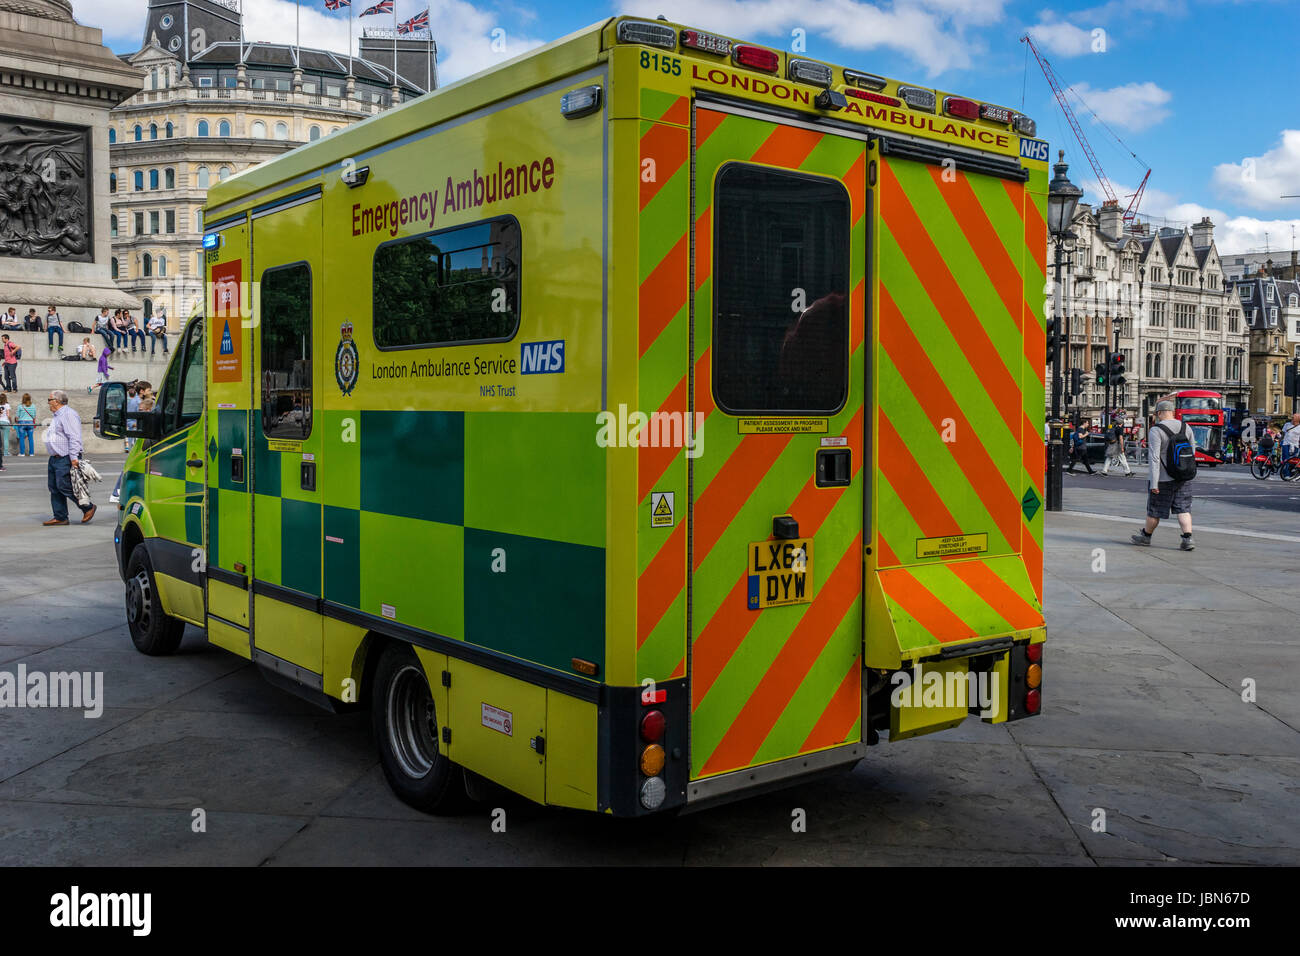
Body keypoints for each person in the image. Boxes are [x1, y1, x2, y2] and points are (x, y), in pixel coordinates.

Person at [1132, 399, 1196, 550]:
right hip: (1182, 477)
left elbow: (1154, 458)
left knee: (1155, 511)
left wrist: (1154, 483)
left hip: (1162, 479)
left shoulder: (1156, 430)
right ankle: (1188, 539)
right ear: (1172, 412)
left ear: (1159, 413)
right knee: (1184, 509)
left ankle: (1145, 537)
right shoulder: (1186, 427)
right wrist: (1186, 472)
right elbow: (1192, 453)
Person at [42, 390, 95, 525]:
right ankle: (60, 517)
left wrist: (74, 457)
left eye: (49, 400)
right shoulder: (57, 415)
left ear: (56, 401)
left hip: (66, 457)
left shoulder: (68, 414)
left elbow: (74, 437)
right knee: (54, 487)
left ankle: (87, 507)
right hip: (55, 457)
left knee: (64, 485)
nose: (48, 403)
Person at [0, 391, 10, 457]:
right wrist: (11, 421)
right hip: (6, 422)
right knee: (6, 438)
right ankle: (6, 453)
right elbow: (8, 415)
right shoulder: (7, 405)